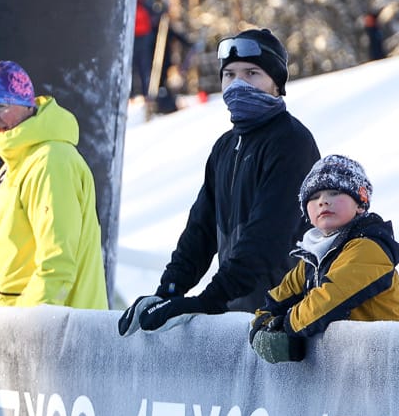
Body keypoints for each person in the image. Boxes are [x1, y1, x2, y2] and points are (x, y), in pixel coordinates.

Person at [119, 28, 321, 336]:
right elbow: (200, 230)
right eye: (229, 75)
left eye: (252, 73)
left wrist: (208, 300)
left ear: (277, 84)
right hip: (239, 314)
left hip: (287, 319)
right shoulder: (226, 147)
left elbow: (267, 237)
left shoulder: (292, 142)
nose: (238, 84)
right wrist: (169, 290)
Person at [0, 61, 106, 308]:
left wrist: (25, 328)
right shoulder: (14, 165)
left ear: (26, 105)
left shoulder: (50, 161)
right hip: (23, 325)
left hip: (55, 331)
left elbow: (56, 261)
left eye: (2, 106)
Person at [250, 156, 399, 362]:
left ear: (360, 204)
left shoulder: (369, 247)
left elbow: (328, 299)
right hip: (351, 369)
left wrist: (284, 326)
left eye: (335, 192)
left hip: (386, 364)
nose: (323, 201)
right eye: (314, 196)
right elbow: (276, 299)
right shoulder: (312, 258)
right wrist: (262, 322)